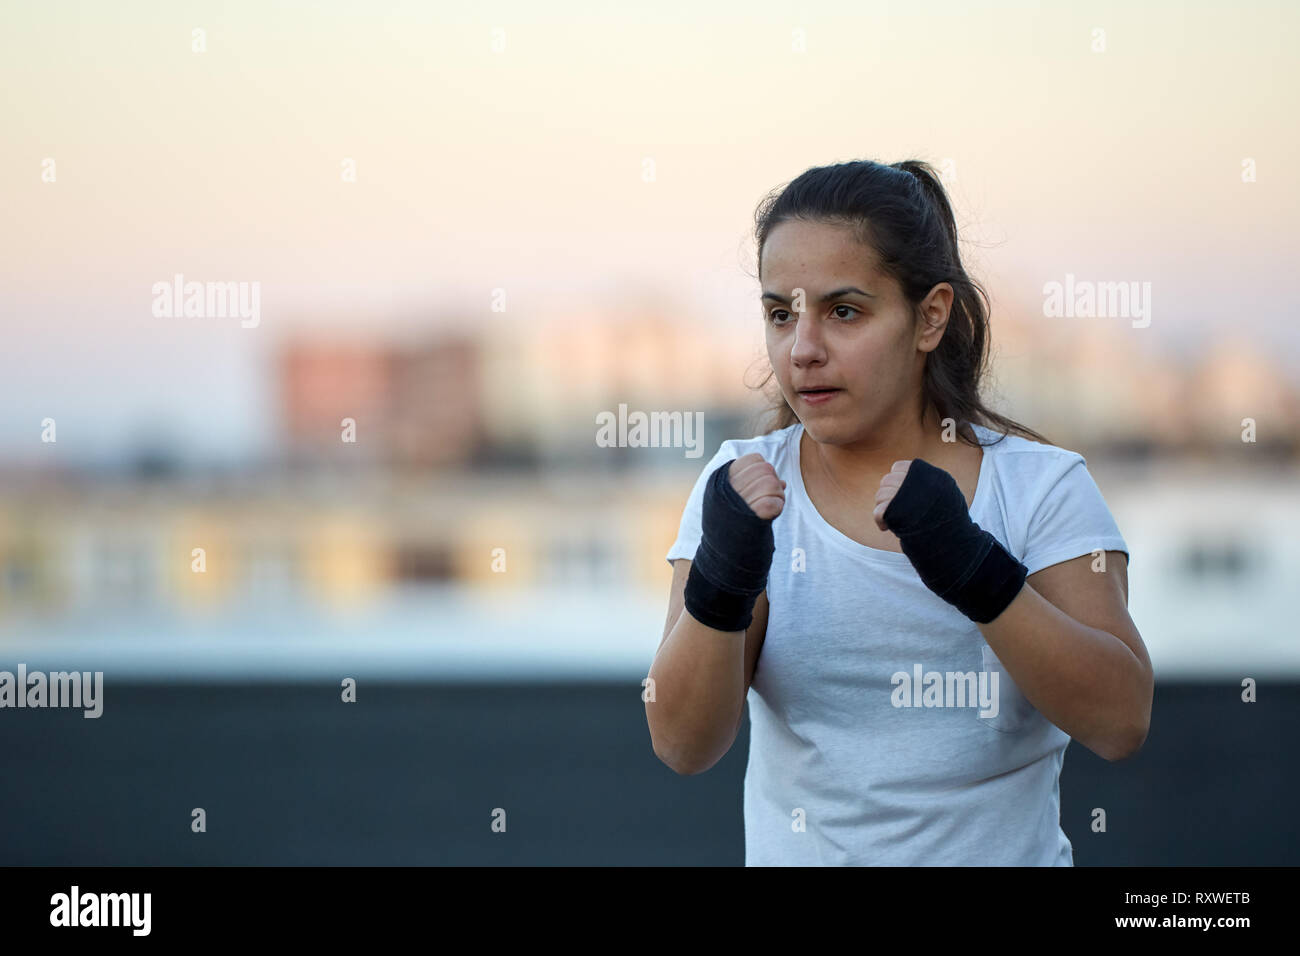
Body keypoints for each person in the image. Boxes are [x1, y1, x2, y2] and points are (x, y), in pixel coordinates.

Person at [646, 159, 1152, 866]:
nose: (804, 349)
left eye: (843, 311)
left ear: (931, 316)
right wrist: (721, 585)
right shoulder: (744, 485)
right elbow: (682, 745)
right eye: (780, 314)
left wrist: (974, 568)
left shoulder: (1040, 487)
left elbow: (1120, 720)